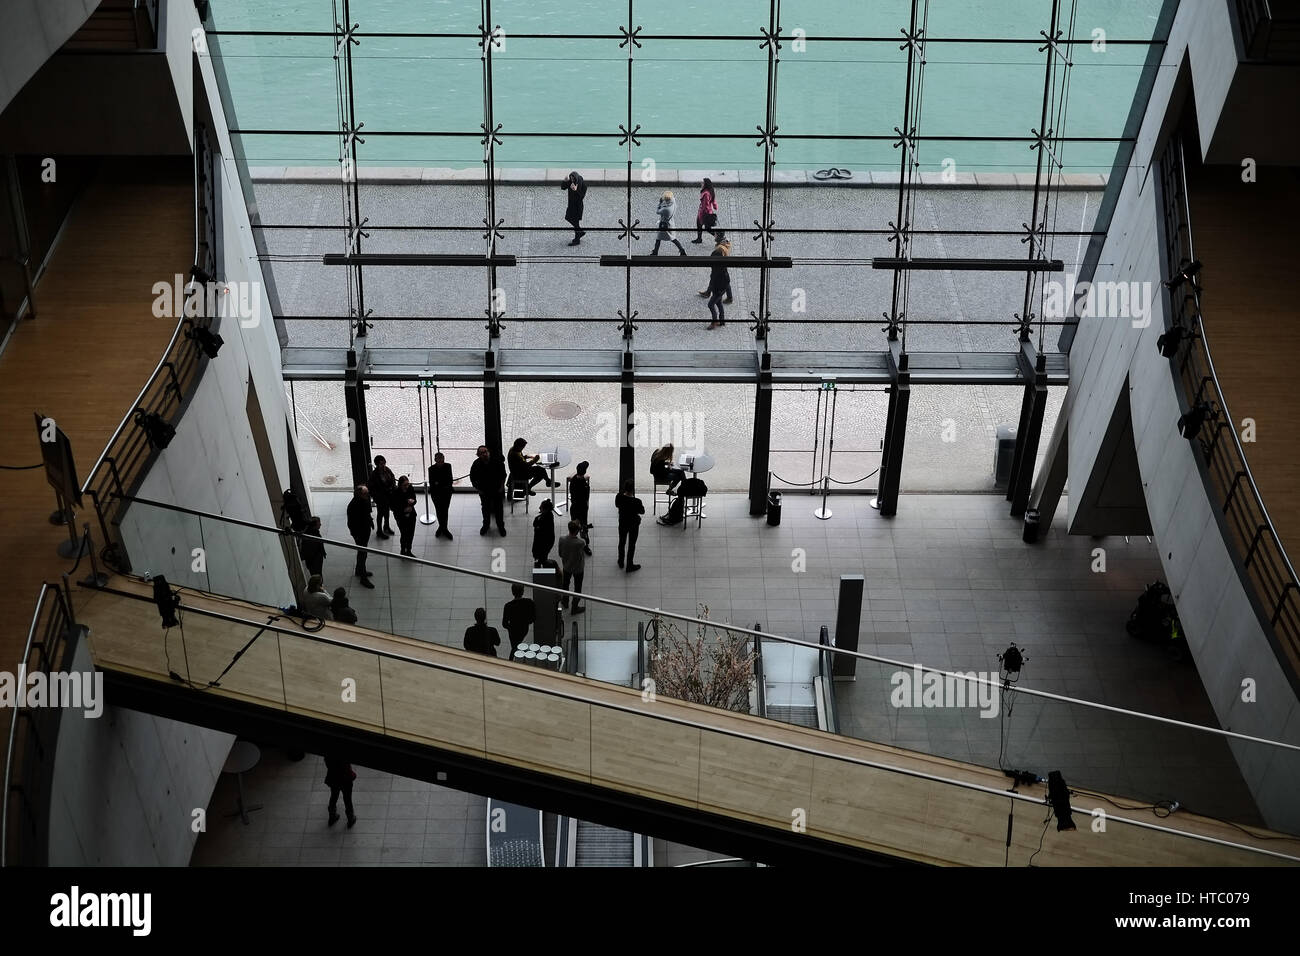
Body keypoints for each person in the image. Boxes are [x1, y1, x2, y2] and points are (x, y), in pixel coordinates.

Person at [470, 445, 507, 537]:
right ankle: (486, 525)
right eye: (482, 453)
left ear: (489, 452)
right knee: (485, 509)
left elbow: (503, 475)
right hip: (484, 491)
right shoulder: (476, 464)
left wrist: (502, 487)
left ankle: (500, 526)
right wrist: (478, 489)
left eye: (485, 451)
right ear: (478, 455)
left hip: (496, 489)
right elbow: (473, 478)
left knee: (499, 509)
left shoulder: (497, 461)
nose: (484, 454)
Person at [346, 485, 375, 588]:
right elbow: (351, 523)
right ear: (360, 495)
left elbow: (367, 514)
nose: (368, 495)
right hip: (359, 534)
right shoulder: (353, 506)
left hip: (364, 530)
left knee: (362, 553)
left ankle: (359, 570)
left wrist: (370, 522)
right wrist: (356, 535)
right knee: (362, 554)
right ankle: (363, 578)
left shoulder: (364, 500)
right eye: (366, 493)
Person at [557, 520, 586, 614]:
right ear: (577, 531)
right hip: (578, 568)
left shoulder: (562, 539)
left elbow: (560, 554)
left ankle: (565, 601)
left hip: (566, 566)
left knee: (565, 584)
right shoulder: (581, 542)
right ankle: (575, 607)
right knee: (577, 588)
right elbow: (584, 543)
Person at [615, 480, 644, 572]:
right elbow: (642, 511)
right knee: (632, 544)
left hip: (623, 522)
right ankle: (629, 565)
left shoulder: (619, 497)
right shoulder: (637, 501)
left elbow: (617, 505)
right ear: (633, 490)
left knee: (622, 542)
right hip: (633, 524)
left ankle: (620, 561)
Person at [501, 583, 536, 659]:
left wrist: (511, 627)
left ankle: (513, 661)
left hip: (513, 631)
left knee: (514, 647)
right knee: (516, 647)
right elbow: (533, 618)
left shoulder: (508, 606)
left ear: (512, 592)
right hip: (523, 628)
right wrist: (526, 622)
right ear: (523, 591)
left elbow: (504, 624)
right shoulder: (529, 602)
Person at [697, 232, 733, 302]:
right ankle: (708, 292)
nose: (714, 237)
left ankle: (728, 297)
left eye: (716, 235)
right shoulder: (725, 243)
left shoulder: (720, 249)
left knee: (715, 279)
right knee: (723, 280)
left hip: (719, 267)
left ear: (719, 237)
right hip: (723, 266)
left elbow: (714, 258)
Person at [706, 232, 731, 330]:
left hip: (719, 286)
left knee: (711, 304)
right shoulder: (722, 256)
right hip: (722, 284)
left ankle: (715, 321)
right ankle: (722, 320)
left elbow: (715, 278)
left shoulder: (717, 270)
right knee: (719, 302)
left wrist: (712, 288)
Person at [323, 755, 357, 828]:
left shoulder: (329, 756)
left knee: (334, 796)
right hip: (345, 779)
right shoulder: (343, 756)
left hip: (333, 779)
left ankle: (332, 816)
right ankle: (350, 818)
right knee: (347, 799)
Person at [651, 190, 687, 256]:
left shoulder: (666, 209)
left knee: (660, 238)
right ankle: (682, 250)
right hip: (670, 223)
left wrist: (659, 203)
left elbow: (658, 211)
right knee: (672, 238)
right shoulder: (673, 201)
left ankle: (655, 252)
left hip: (664, 225)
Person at [369, 455, 396, 539]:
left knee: (387, 513)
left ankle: (386, 526)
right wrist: (378, 497)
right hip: (380, 498)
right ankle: (379, 531)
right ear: (377, 464)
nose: (383, 465)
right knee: (380, 514)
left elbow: (393, 478)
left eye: (384, 462)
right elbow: (372, 488)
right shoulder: (374, 475)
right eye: (381, 463)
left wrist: (392, 488)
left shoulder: (387, 469)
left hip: (388, 496)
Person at [428, 451, 454, 540]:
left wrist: (438, 483)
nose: (440, 461)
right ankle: (442, 527)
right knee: (439, 511)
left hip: (446, 493)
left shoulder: (448, 466)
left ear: (444, 458)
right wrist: (441, 483)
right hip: (436, 494)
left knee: (445, 511)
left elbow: (450, 480)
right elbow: (432, 483)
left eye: (441, 459)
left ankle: (443, 528)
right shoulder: (431, 469)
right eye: (438, 459)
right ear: (435, 460)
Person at [569, 460, 592, 555]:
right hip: (582, 508)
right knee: (583, 527)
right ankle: (585, 546)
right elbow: (586, 497)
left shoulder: (573, 480)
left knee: (574, 527)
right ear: (584, 472)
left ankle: (572, 544)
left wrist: (583, 479)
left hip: (574, 507)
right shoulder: (583, 484)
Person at [394, 474, 419, 557]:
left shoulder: (410, 488)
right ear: (400, 485)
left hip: (411, 515)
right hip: (401, 517)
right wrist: (404, 509)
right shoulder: (396, 492)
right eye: (405, 485)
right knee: (404, 534)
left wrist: (412, 502)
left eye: (408, 484)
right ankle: (402, 550)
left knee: (411, 534)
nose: (407, 486)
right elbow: (393, 506)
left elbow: (415, 499)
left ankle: (408, 550)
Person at [561, 171, 587, 245]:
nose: (571, 180)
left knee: (576, 222)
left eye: (573, 178)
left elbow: (581, 197)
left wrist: (576, 190)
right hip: (571, 205)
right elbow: (563, 188)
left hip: (577, 207)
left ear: (576, 178)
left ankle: (577, 239)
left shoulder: (583, 185)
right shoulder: (570, 182)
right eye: (570, 178)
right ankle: (580, 232)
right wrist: (564, 181)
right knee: (568, 218)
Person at [692, 177, 719, 244]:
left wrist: (703, 215)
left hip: (704, 213)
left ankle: (719, 237)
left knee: (705, 227)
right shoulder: (711, 190)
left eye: (703, 183)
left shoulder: (706, 194)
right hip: (708, 211)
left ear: (705, 184)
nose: (701, 183)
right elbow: (713, 201)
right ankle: (699, 238)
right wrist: (715, 207)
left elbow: (705, 206)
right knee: (703, 227)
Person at [532, 498, 556, 567]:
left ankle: (542, 563)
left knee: (542, 554)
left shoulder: (544, 519)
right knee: (543, 554)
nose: (539, 508)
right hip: (546, 540)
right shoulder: (549, 515)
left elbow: (536, 525)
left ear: (546, 509)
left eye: (541, 507)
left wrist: (537, 525)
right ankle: (540, 562)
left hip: (544, 541)